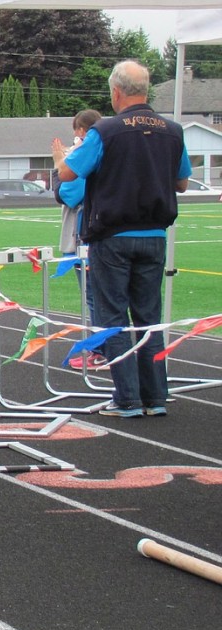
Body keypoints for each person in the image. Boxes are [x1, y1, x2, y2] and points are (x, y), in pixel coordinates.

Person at [53, 60, 192, 419]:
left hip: (112, 235)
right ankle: (155, 396)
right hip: (154, 234)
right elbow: (182, 182)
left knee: (112, 317)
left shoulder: (105, 130)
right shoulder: (173, 131)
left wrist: (60, 158)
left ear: (115, 91)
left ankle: (126, 398)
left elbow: (69, 173)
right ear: (146, 90)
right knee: (149, 318)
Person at [50, 108, 105, 370]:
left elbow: (66, 192)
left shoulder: (90, 158)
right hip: (85, 236)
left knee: (96, 297)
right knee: (98, 297)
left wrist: (61, 163)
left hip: (85, 238)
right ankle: (104, 348)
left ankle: (101, 350)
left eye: (77, 134)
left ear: (83, 132)